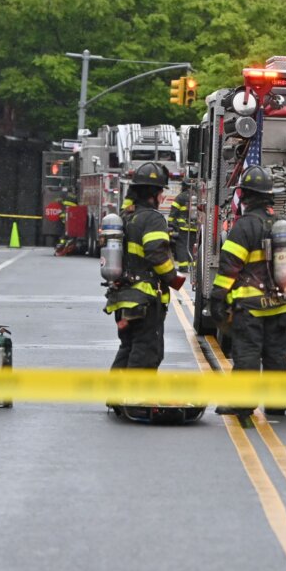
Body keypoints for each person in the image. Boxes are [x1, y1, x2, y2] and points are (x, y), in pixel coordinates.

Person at [209, 165, 286, 423]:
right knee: (275, 354)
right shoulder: (282, 225)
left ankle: (242, 403)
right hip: (280, 305)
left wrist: (217, 298)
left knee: (247, 353)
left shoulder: (244, 227)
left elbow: (229, 267)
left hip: (251, 307)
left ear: (245, 196)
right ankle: (277, 403)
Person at [105, 162, 181, 416]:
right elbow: (156, 252)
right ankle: (137, 400)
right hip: (145, 299)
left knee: (128, 346)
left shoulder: (126, 217)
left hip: (122, 298)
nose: (162, 197)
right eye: (160, 192)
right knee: (147, 350)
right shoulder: (153, 218)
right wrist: (172, 277)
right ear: (153, 193)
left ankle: (116, 396)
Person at [167, 183, 198, 275]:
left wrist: (171, 225)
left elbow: (173, 213)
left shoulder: (180, 197)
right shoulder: (197, 197)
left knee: (182, 246)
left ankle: (183, 267)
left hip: (183, 228)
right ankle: (193, 266)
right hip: (195, 228)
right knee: (193, 247)